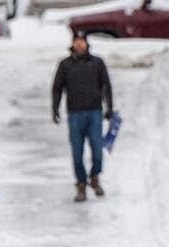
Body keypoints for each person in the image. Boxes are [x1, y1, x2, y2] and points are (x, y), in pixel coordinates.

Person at [51, 32, 113, 203]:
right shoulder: (65, 65)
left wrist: (109, 108)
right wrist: (55, 109)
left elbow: (106, 86)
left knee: (97, 150)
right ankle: (80, 183)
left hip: (94, 113)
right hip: (75, 114)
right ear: (73, 44)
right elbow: (57, 88)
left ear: (86, 44)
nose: (79, 45)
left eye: (82, 42)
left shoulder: (97, 63)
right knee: (77, 152)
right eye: (77, 42)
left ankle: (94, 177)